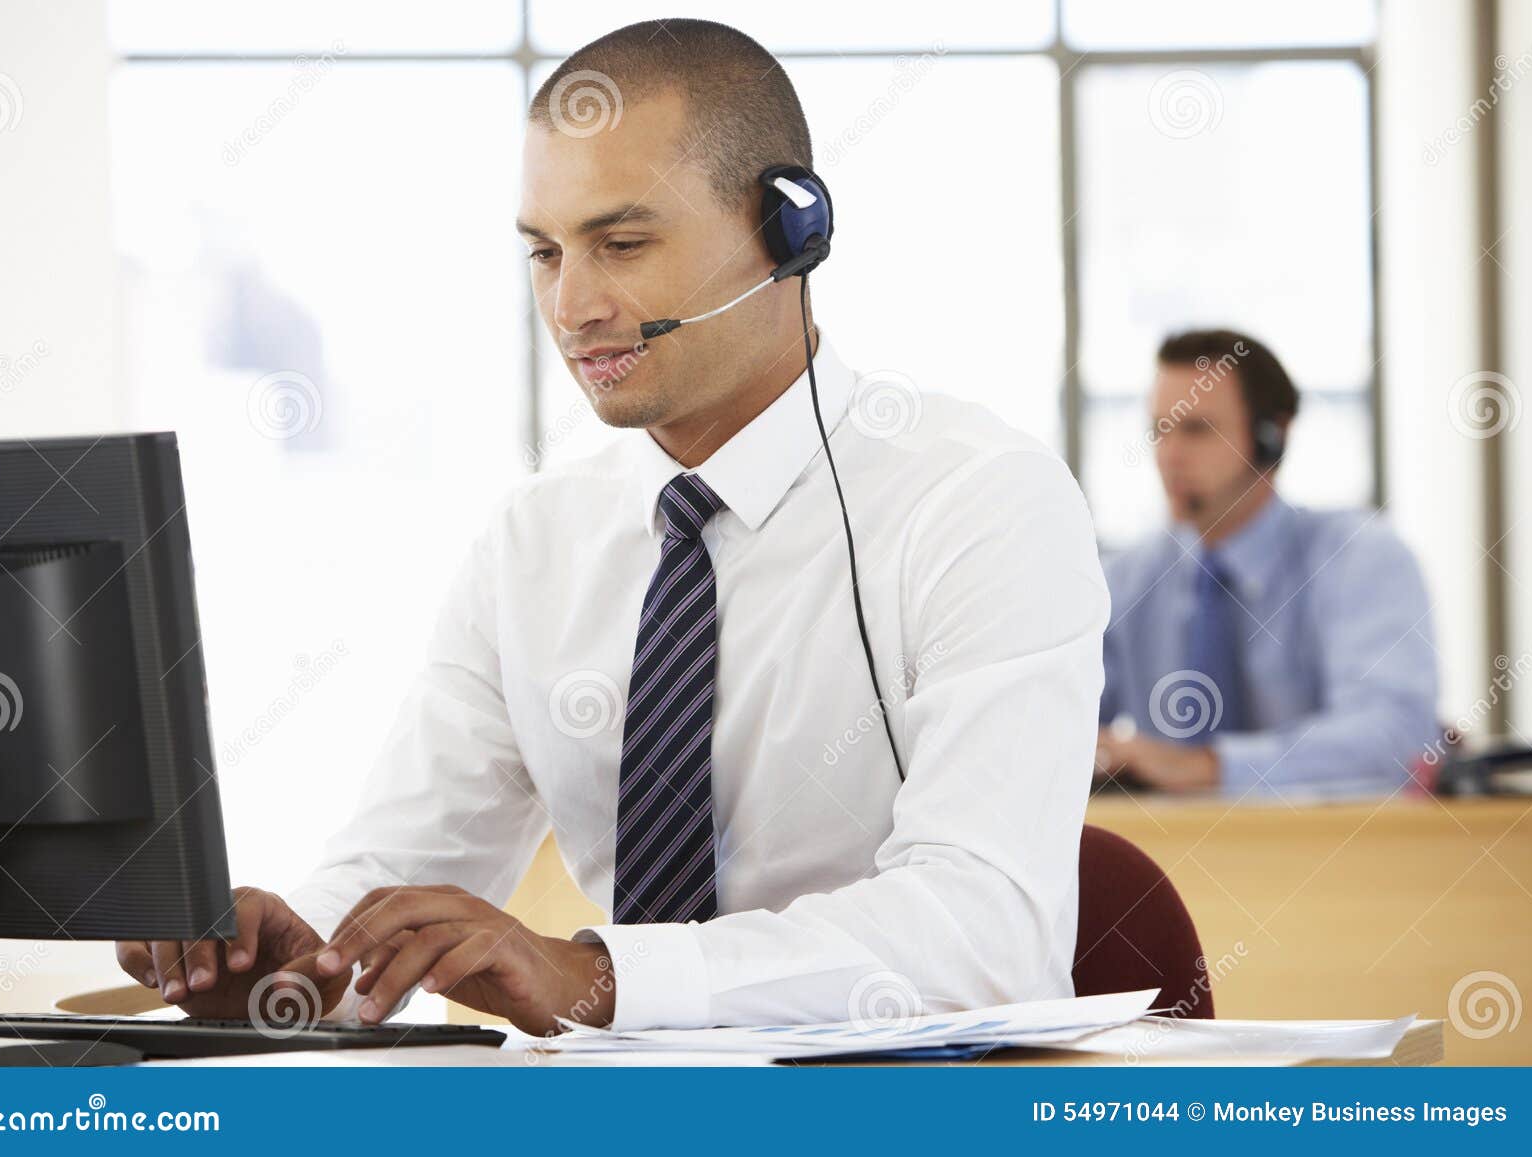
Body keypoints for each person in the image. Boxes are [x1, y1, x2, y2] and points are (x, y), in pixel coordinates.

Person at [115, 19, 1108, 1035]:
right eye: (545, 253)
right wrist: (303, 962)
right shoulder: (535, 540)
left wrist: (596, 977)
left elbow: (988, 930)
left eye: (621, 244)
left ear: (786, 230)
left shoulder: (981, 503)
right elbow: (409, 859)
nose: (573, 304)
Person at [1096, 329, 1439, 797]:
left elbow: (1394, 738)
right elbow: (1053, 728)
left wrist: (1204, 768)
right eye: (1159, 429)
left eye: (1197, 430)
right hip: (1164, 859)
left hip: (1331, 858)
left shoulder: (1361, 559)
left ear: (1271, 437)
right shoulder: (1124, 581)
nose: (1168, 456)